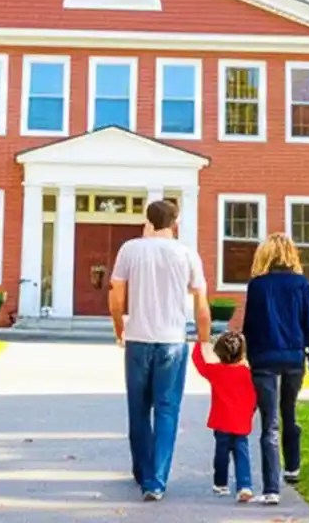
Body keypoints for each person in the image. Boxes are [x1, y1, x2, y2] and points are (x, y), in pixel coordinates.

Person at [108, 199, 211, 503]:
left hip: (138, 338)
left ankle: (142, 471)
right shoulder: (186, 254)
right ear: (175, 221)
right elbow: (201, 305)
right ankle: (157, 480)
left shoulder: (130, 249)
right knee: (167, 410)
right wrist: (204, 341)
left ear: (148, 220)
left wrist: (119, 327)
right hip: (172, 340)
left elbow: (116, 296)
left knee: (138, 410)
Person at [242, 233, 309, 505]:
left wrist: (247, 357)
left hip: (263, 357)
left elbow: (249, 326)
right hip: (293, 355)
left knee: (269, 423)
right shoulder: (301, 284)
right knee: (290, 411)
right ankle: (293, 467)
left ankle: (271, 488)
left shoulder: (257, 286)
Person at [191, 330, 256, 503]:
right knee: (241, 451)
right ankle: (244, 485)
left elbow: (199, 362)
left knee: (221, 452)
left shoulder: (216, 371)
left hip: (221, 420)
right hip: (241, 420)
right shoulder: (247, 373)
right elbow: (255, 395)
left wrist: (200, 341)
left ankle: (221, 483)